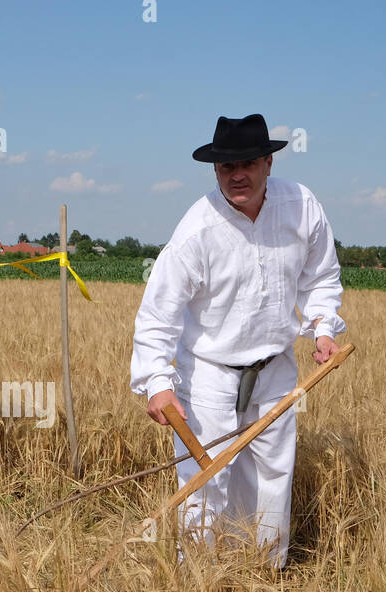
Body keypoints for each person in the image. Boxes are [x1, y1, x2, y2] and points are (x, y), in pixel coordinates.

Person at [130, 113, 346, 568]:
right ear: (215, 170)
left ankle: (265, 574)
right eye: (226, 167)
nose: (237, 175)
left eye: (247, 162)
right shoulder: (196, 230)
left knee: (272, 475)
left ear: (268, 162)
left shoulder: (301, 206)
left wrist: (323, 328)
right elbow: (157, 314)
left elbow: (321, 275)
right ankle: (200, 583)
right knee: (206, 480)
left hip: (274, 369)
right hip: (208, 373)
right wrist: (156, 381)